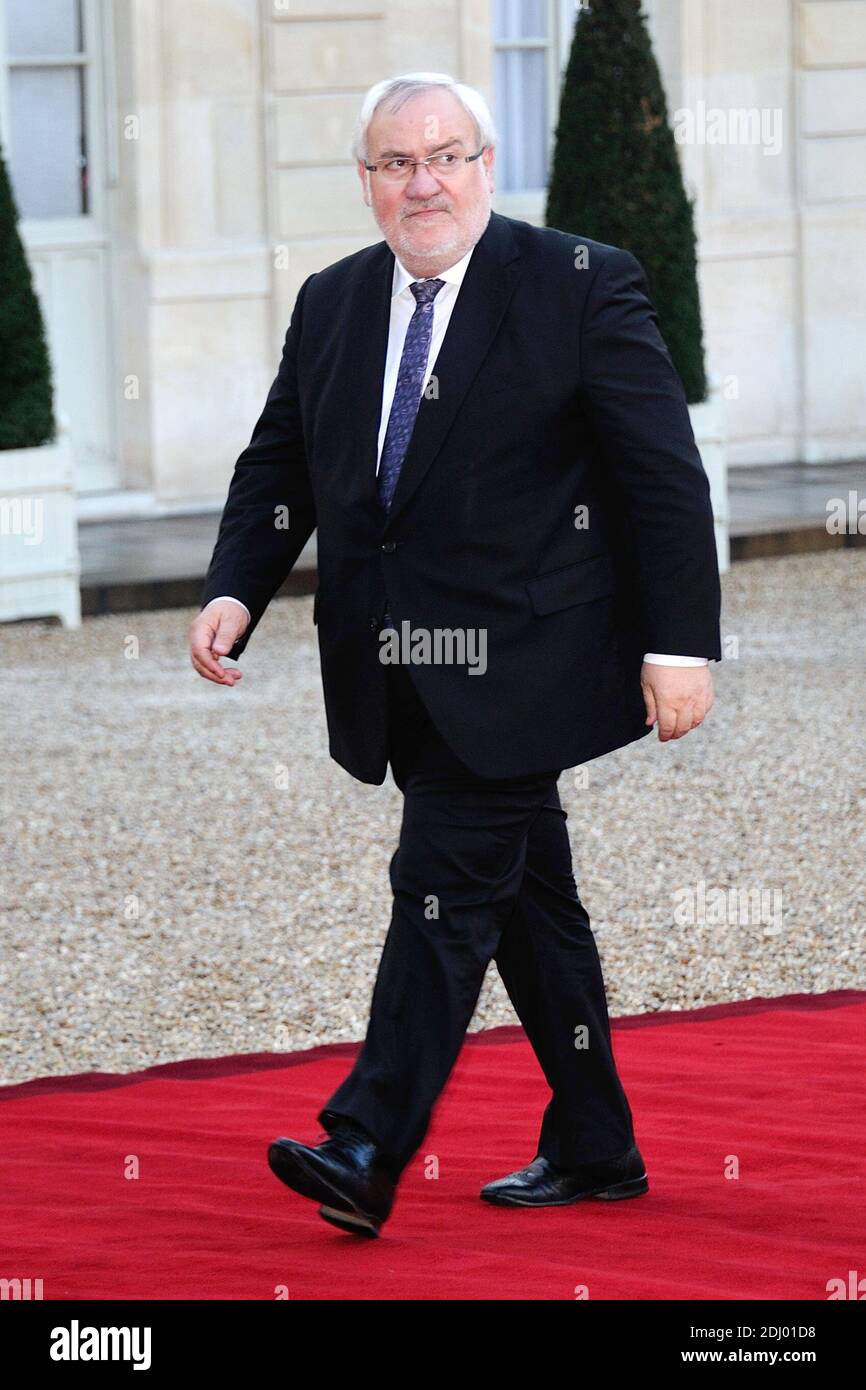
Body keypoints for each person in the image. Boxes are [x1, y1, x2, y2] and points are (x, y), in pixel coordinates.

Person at [188, 72, 721, 1237]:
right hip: (390, 665)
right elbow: (279, 463)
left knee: (437, 886)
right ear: (367, 182)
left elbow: (662, 481)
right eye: (394, 162)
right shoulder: (333, 302)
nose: (421, 181)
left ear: (485, 162)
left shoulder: (579, 285)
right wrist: (238, 585)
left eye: (445, 155)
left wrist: (679, 644)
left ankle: (368, 1136)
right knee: (526, 899)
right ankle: (595, 1142)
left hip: (528, 661)